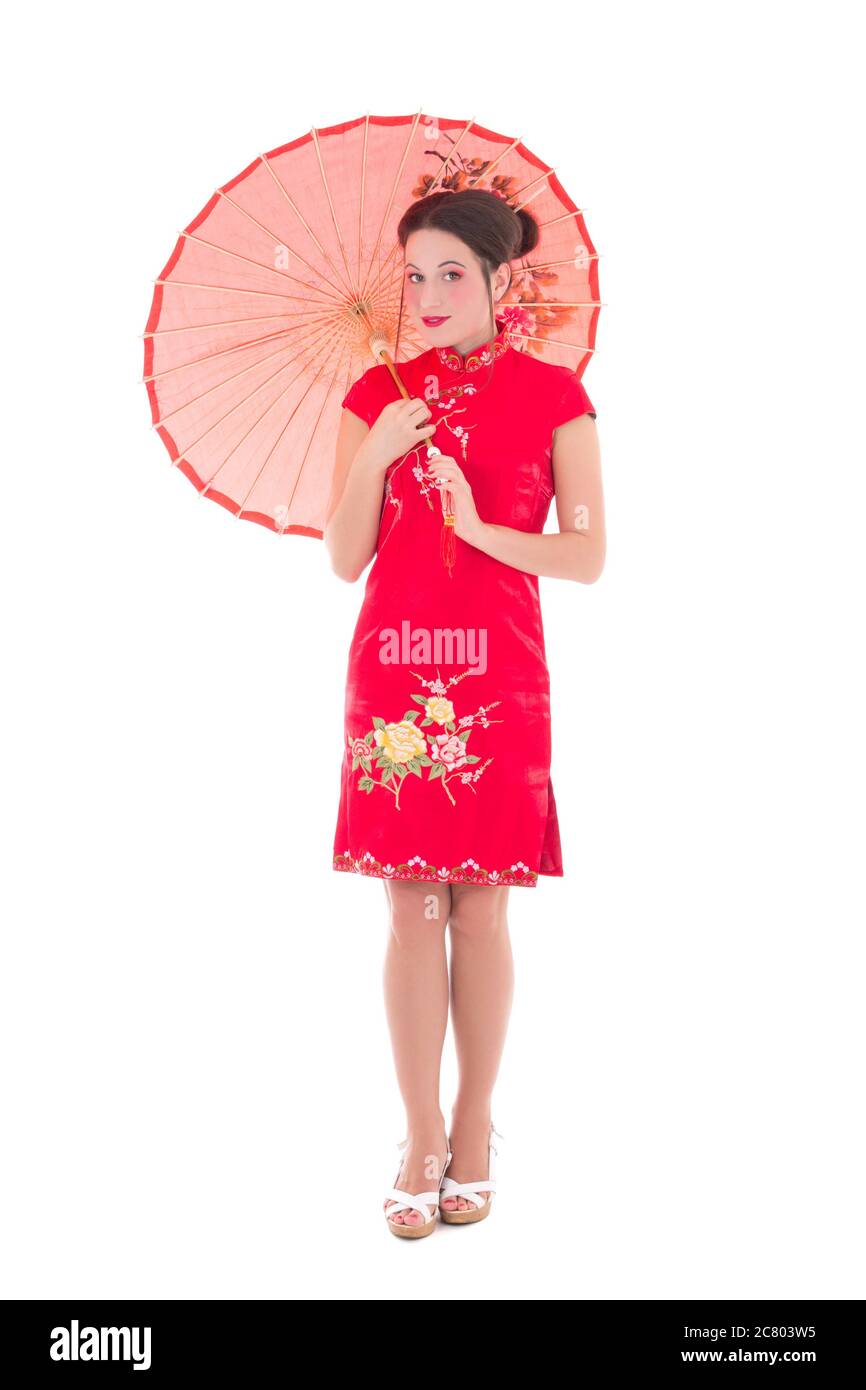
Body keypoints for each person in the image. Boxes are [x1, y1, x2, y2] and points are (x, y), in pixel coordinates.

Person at [324, 188, 605, 1236]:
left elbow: (585, 556)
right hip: (397, 666)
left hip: (497, 675)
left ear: (500, 282)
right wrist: (379, 452)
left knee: (480, 905)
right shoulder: (374, 392)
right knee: (409, 905)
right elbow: (343, 553)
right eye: (415, 276)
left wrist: (478, 526)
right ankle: (419, 1133)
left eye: (452, 274)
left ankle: (477, 1126)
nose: (430, 296)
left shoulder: (553, 398)